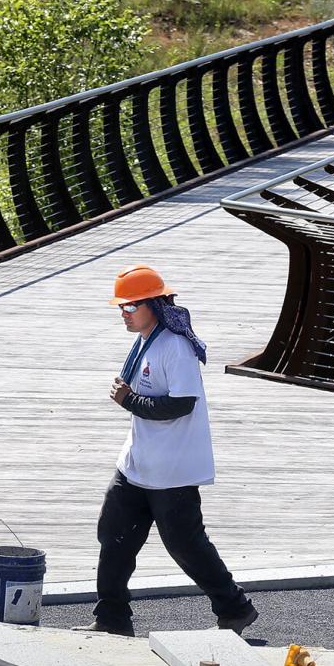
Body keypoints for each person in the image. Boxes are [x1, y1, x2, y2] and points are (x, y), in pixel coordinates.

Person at [74, 265, 258, 638]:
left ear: (154, 305)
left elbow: (181, 404)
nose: (123, 314)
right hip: (137, 464)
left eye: (130, 307)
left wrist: (130, 400)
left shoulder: (174, 347)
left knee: (185, 546)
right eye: (120, 308)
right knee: (113, 537)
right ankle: (111, 618)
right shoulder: (148, 338)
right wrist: (131, 398)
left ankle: (235, 607)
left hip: (172, 470)